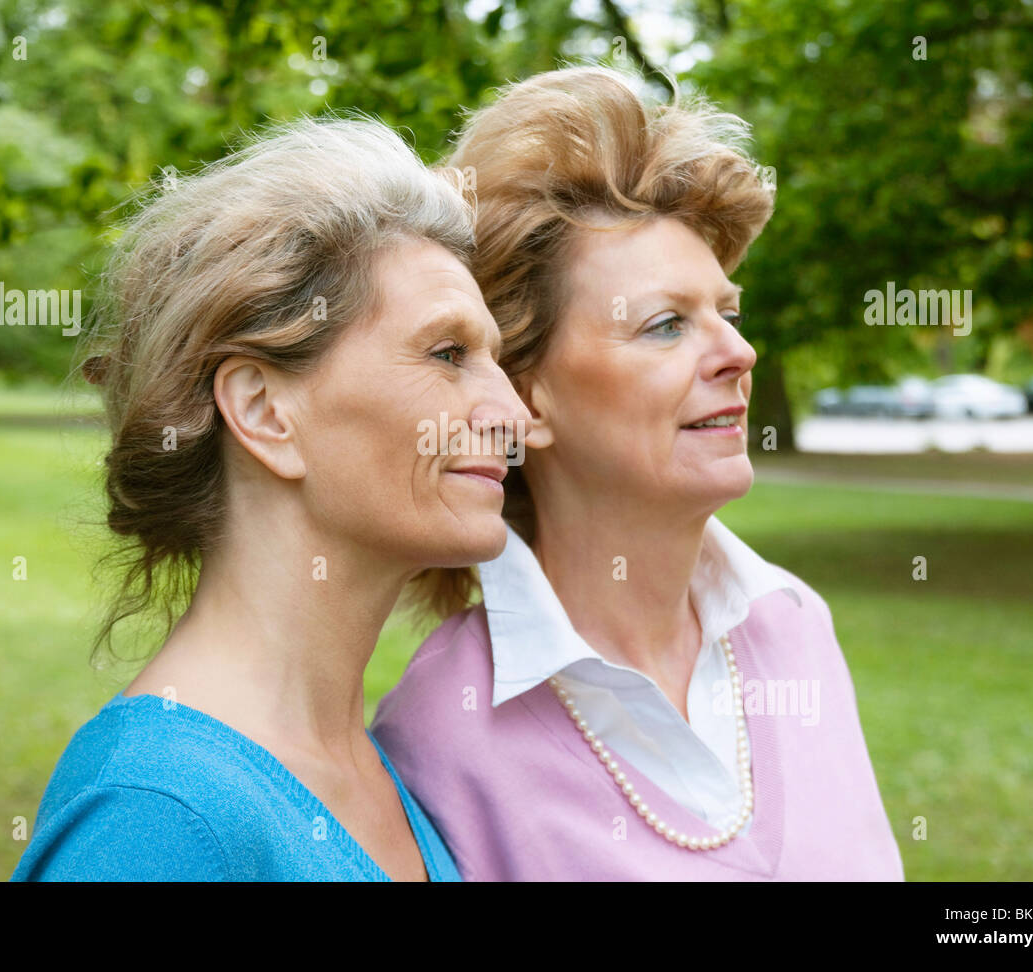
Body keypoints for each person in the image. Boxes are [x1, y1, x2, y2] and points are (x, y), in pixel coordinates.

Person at [374, 67, 905, 880]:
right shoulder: (442, 730)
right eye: (666, 326)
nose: (739, 353)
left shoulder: (796, 625)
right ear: (525, 400)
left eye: (726, 313)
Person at [12, 116, 529, 881]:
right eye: (447, 354)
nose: (515, 418)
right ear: (262, 411)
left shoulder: (373, 768)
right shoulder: (155, 821)